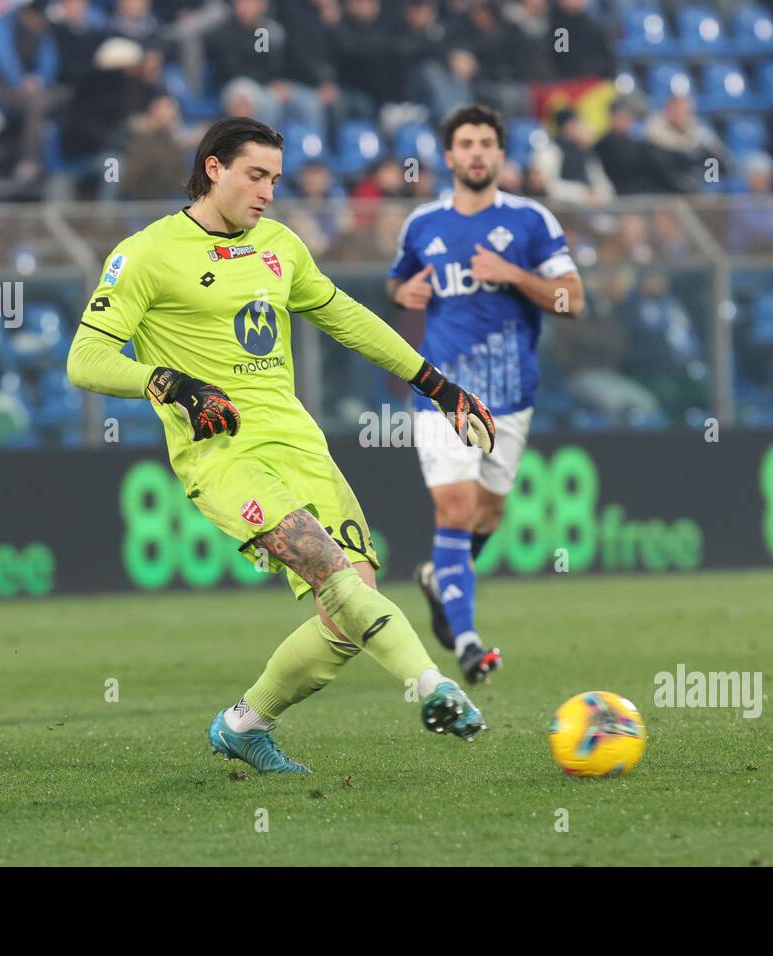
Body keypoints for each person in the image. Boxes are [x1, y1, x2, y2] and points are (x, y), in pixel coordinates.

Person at [66, 117, 496, 774]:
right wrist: (168, 382)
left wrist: (433, 382)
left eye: (275, 178)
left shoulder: (280, 246)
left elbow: (342, 314)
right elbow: (85, 359)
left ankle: (245, 723)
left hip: (300, 444)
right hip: (224, 457)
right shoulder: (148, 253)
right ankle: (433, 686)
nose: (268, 191)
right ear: (214, 169)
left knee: (349, 605)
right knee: (330, 571)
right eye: (256, 175)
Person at [386, 104, 585, 684]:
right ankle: (470, 645)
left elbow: (575, 300)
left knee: (487, 514)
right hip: (444, 393)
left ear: (501, 155)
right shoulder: (422, 223)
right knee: (455, 507)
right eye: (466, 144)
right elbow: (398, 282)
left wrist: (515, 275)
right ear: (449, 157)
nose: (476, 153)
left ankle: (438, 579)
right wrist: (405, 295)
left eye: (486, 144)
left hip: (512, 396)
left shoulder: (531, 221)